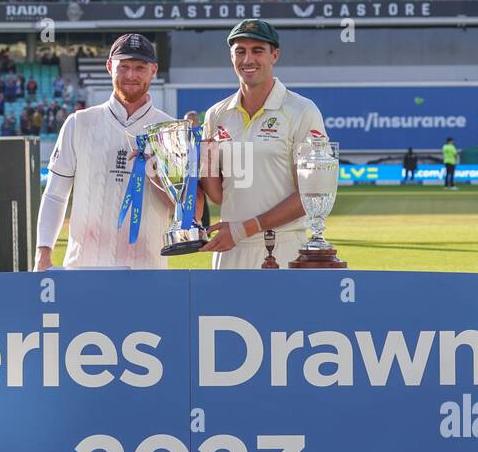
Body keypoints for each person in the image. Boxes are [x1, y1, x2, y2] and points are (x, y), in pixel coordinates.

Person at [34, 33, 174, 271]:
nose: (131, 75)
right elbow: (55, 195)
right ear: (110, 67)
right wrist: (43, 252)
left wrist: (156, 175)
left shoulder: (170, 130)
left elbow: (182, 208)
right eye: (124, 67)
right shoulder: (79, 123)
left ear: (153, 70)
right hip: (83, 270)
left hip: (148, 271)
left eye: (140, 67)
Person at [200, 19, 327, 269]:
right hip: (230, 249)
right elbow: (217, 196)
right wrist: (195, 157)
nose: (248, 59)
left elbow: (311, 195)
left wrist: (245, 229)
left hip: (282, 247)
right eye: (240, 51)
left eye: (257, 50)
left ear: (274, 55)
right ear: (231, 57)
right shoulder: (217, 114)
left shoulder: (301, 110)